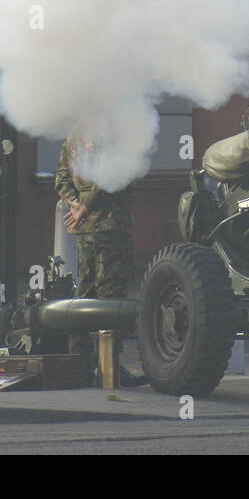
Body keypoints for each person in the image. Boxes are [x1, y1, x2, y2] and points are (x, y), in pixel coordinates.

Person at [55, 127, 145, 386]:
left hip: (86, 229)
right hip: (111, 226)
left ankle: (79, 363)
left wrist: (74, 202)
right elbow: (110, 175)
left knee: (84, 293)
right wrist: (84, 205)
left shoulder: (73, 134)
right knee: (110, 299)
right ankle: (110, 367)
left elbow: (61, 175)